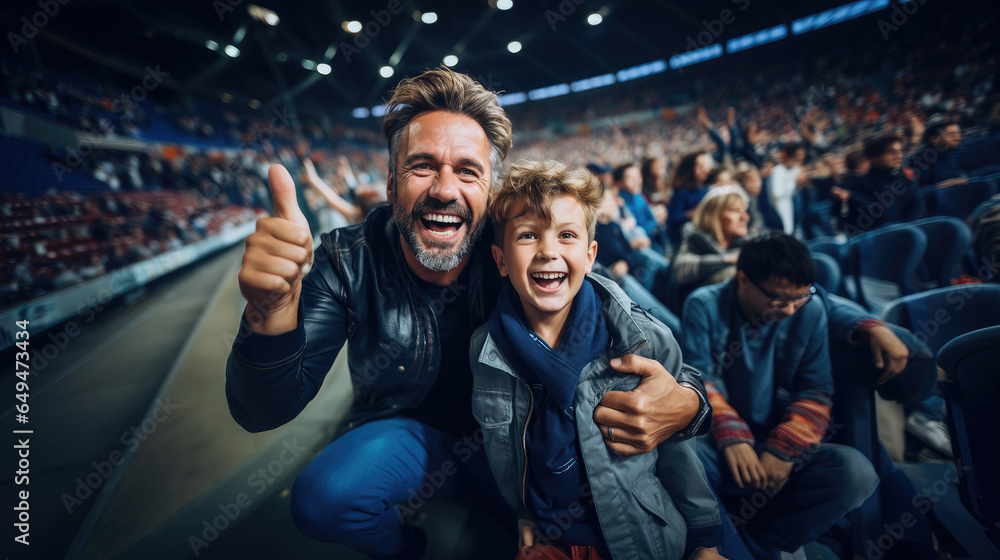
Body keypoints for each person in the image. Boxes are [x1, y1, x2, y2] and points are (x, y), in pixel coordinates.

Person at [225, 67, 709, 560]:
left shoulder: (522, 249)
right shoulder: (347, 260)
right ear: (391, 186)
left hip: (518, 443)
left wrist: (691, 402)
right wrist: (270, 311)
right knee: (324, 500)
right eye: (422, 166)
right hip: (408, 435)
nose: (444, 189)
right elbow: (263, 410)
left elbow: (638, 334)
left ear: (491, 193)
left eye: (468, 171)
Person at [472, 159, 724, 560]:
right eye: (528, 236)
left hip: (643, 538)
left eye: (566, 235)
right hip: (549, 539)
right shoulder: (484, 351)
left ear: (590, 256)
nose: (548, 251)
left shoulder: (640, 339)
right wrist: (523, 512)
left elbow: (676, 446)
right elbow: (506, 451)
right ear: (501, 260)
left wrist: (706, 541)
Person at [681, 232, 879, 560]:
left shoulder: (810, 309)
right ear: (743, 280)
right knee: (685, 458)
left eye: (799, 298)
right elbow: (700, 381)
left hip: (775, 444)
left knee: (855, 472)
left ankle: (762, 541)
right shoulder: (704, 304)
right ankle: (722, 539)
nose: (789, 310)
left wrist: (785, 448)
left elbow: (815, 390)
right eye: (778, 299)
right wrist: (732, 437)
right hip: (717, 444)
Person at [670, 187, 748, 310]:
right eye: (735, 210)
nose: (745, 217)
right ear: (714, 215)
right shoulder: (695, 238)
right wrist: (728, 259)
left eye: (745, 211)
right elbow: (679, 270)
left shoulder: (744, 245)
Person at [841, 134, 925, 237]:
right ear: (873, 158)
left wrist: (908, 231)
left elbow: (917, 208)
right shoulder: (858, 184)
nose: (899, 156)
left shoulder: (903, 179)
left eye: (900, 151)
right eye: (891, 152)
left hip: (908, 235)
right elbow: (880, 217)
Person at [666, 150, 713, 249]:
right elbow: (673, 218)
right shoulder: (681, 191)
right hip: (685, 241)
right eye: (700, 166)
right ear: (689, 169)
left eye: (705, 165)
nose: (705, 169)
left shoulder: (703, 186)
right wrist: (690, 214)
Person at [768, 143, 806, 235]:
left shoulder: (796, 169)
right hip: (779, 206)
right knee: (785, 231)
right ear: (789, 157)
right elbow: (777, 193)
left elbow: (795, 192)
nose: (799, 160)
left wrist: (800, 184)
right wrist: (795, 183)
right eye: (797, 157)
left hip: (792, 204)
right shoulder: (777, 171)